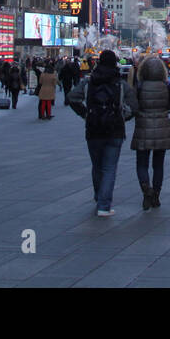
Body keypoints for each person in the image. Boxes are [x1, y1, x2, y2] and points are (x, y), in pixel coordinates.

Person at [69, 51, 137, 216]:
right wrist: (123, 117)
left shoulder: (88, 82)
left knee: (97, 166)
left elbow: (72, 98)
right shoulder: (120, 84)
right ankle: (104, 205)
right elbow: (134, 105)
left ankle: (99, 196)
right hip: (115, 130)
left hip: (93, 129)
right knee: (109, 168)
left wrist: (85, 114)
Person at [131, 56, 170, 211]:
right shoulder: (165, 85)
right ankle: (156, 194)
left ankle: (146, 191)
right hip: (162, 128)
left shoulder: (140, 85)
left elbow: (134, 104)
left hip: (143, 127)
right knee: (158, 165)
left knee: (141, 164)